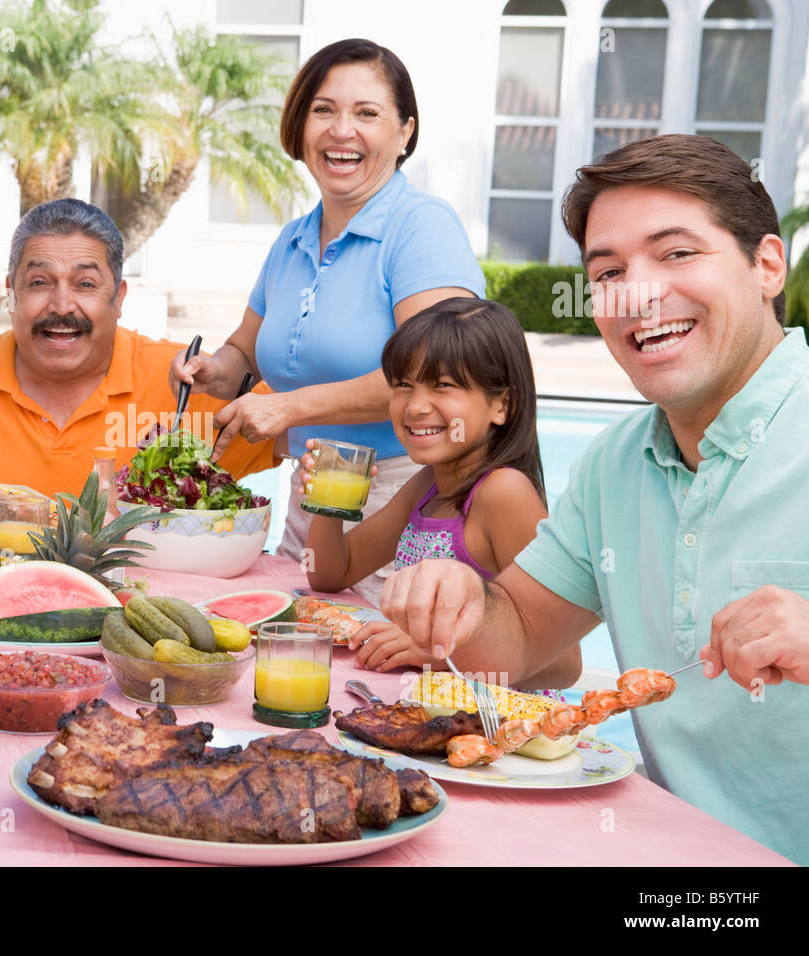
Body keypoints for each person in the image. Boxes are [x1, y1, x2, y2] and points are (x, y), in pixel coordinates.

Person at [378, 135, 809, 864]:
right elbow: (517, 636)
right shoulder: (615, 464)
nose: (638, 294)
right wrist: (465, 599)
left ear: (767, 265)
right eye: (609, 271)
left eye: (676, 254)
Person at [171, 38, 484, 601]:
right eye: (324, 110)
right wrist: (215, 369)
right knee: (297, 656)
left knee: (381, 677)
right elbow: (245, 348)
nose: (342, 130)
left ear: (405, 132)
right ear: (301, 124)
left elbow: (441, 379)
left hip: (406, 500)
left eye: (367, 113)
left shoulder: (423, 228)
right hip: (313, 492)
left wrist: (287, 407)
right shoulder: (292, 240)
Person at [0, 198, 275, 513]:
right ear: (11, 292)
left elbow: (314, 429)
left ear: (119, 297)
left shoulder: (186, 379)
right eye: (39, 282)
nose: (61, 305)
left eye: (85, 284)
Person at [300, 298, 580, 688]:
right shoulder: (429, 483)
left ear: (503, 404)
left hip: (501, 728)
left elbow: (564, 664)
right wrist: (326, 501)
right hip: (433, 710)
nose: (415, 406)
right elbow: (332, 573)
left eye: (443, 386)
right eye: (403, 385)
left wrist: (436, 651)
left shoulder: (503, 494)